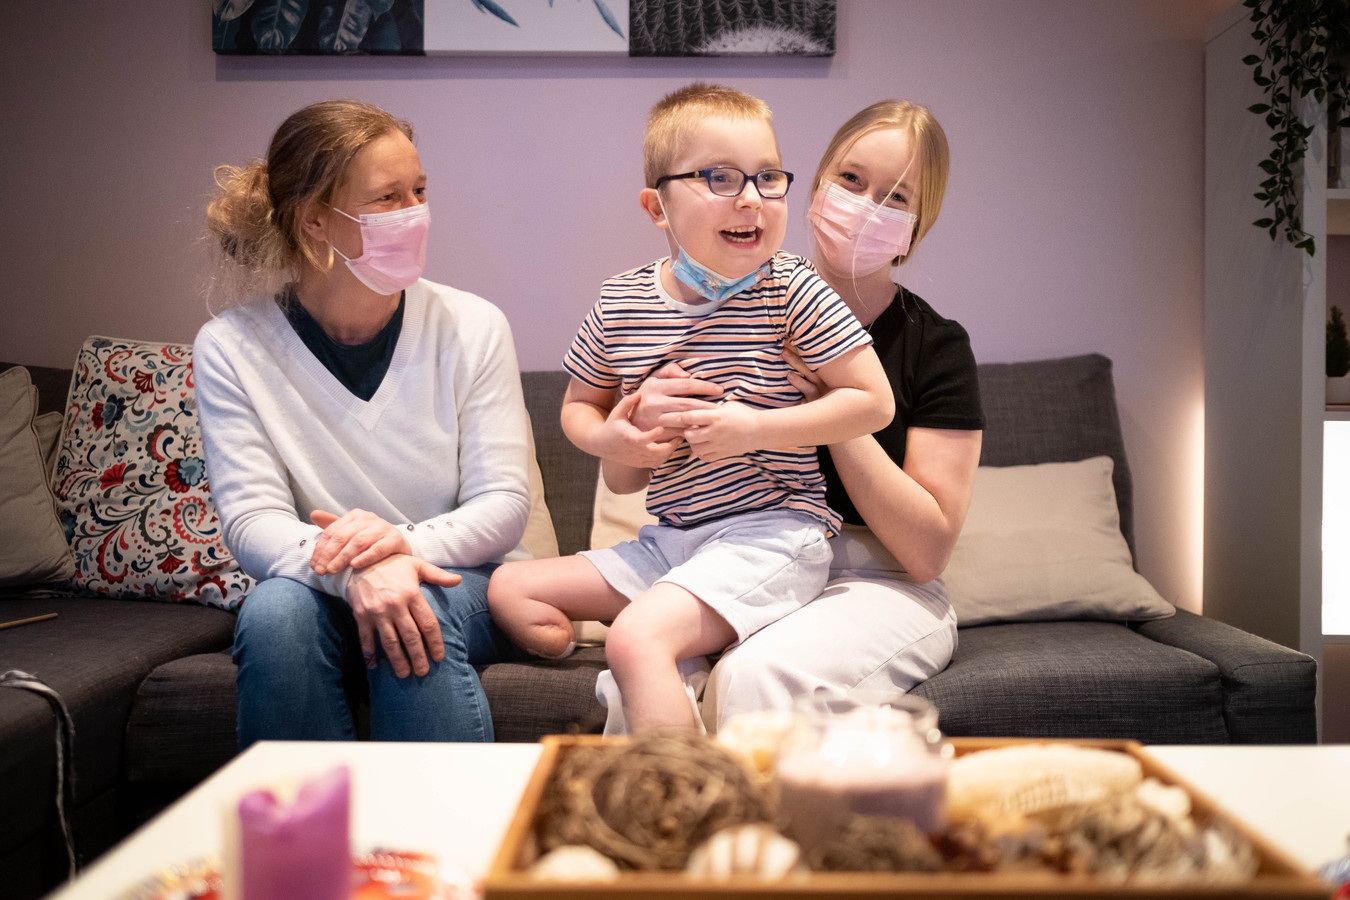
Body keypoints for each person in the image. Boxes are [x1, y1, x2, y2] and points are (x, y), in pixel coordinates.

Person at [487, 84, 894, 734]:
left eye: (768, 178)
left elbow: (873, 402)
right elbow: (577, 409)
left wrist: (754, 427)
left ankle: (680, 806)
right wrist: (614, 443)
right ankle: (675, 635)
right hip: (669, 541)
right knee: (509, 588)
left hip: (773, 533)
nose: (751, 198)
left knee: (633, 641)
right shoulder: (622, 302)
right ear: (657, 207)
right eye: (720, 178)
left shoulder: (789, 289)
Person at [633, 99, 985, 730]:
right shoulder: (724, 304)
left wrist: (829, 402)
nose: (866, 206)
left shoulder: (937, 345)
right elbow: (629, 470)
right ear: (815, 181)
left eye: (897, 197)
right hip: (733, 556)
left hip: (881, 579)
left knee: (755, 678)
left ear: (918, 224)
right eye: (851, 180)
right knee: (638, 679)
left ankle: (756, 831)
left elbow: (926, 551)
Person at [195, 99, 531, 747]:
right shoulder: (231, 347)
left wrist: (399, 553)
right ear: (315, 219)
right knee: (273, 614)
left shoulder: (473, 325)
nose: (416, 213)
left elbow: (503, 507)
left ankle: (441, 847)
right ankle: (301, 845)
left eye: (420, 191)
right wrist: (354, 571)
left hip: (461, 577)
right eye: (387, 198)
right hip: (317, 581)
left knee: (418, 602)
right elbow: (250, 519)